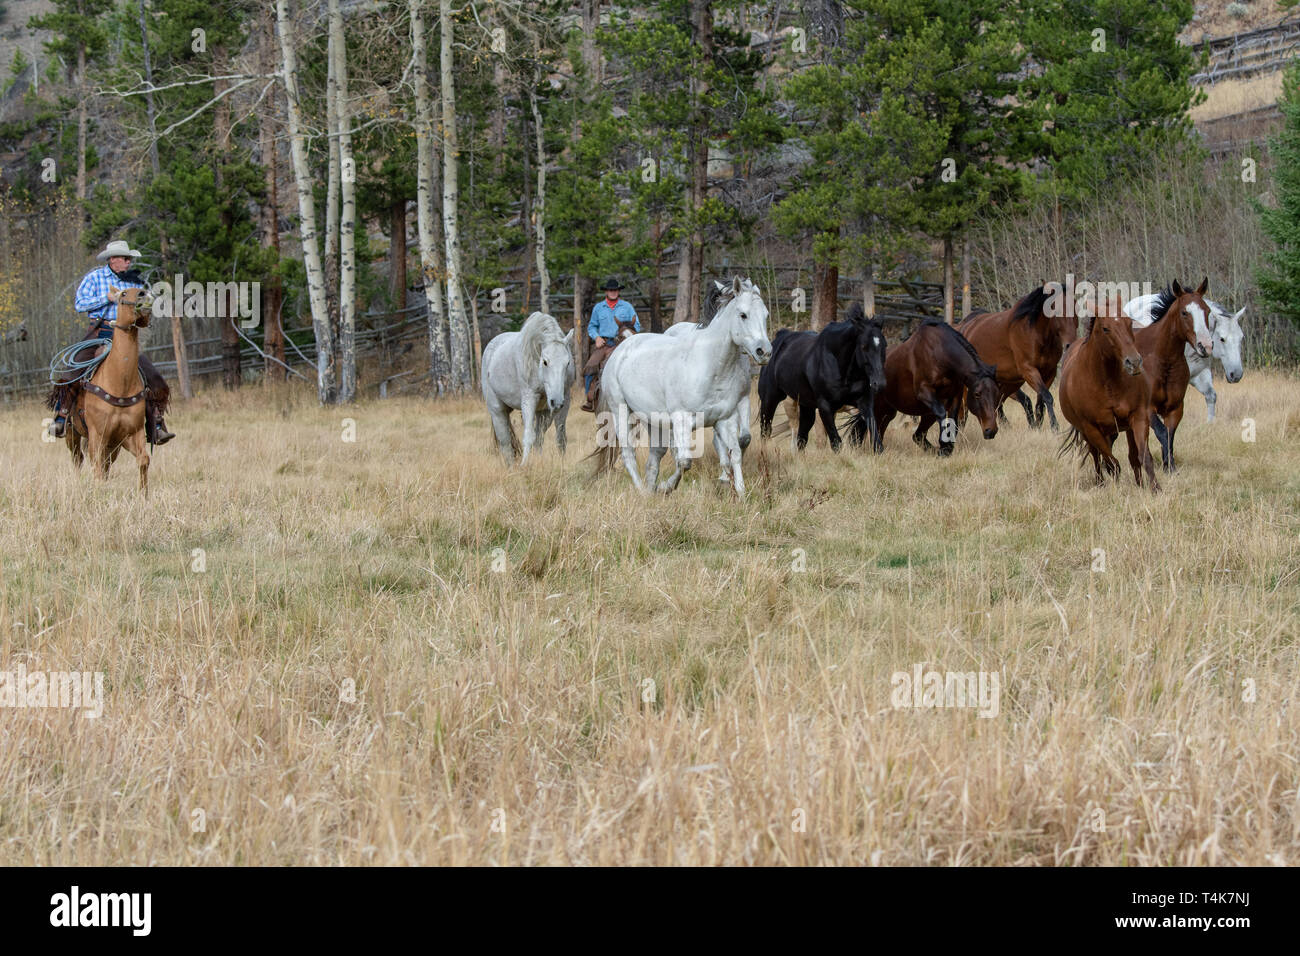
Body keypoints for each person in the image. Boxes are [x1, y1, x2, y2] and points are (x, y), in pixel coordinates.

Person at [49, 240, 175, 444]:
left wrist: (147, 306)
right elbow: (80, 304)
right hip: (100, 330)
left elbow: (147, 305)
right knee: (71, 371)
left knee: (154, 378)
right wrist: (107, 298)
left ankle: (157, 425)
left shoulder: (135, 282)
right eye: (126, 259)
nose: (128, 262)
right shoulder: (94, 278)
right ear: (113, 259)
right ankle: (61, 417)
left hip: (127, 336)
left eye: (129, 259)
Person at [585, 277, 640, 398]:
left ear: (618, 291)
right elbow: (592, 327)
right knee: (590, 367)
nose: (613, 292)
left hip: (624, 343)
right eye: (610, 290)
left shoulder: (627, 307)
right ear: (606, 292)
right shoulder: (599, 308)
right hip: (605, 343)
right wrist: (597, 338)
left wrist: (630, 335)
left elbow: (637, 325)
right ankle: (589, 398)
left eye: (615, 290)